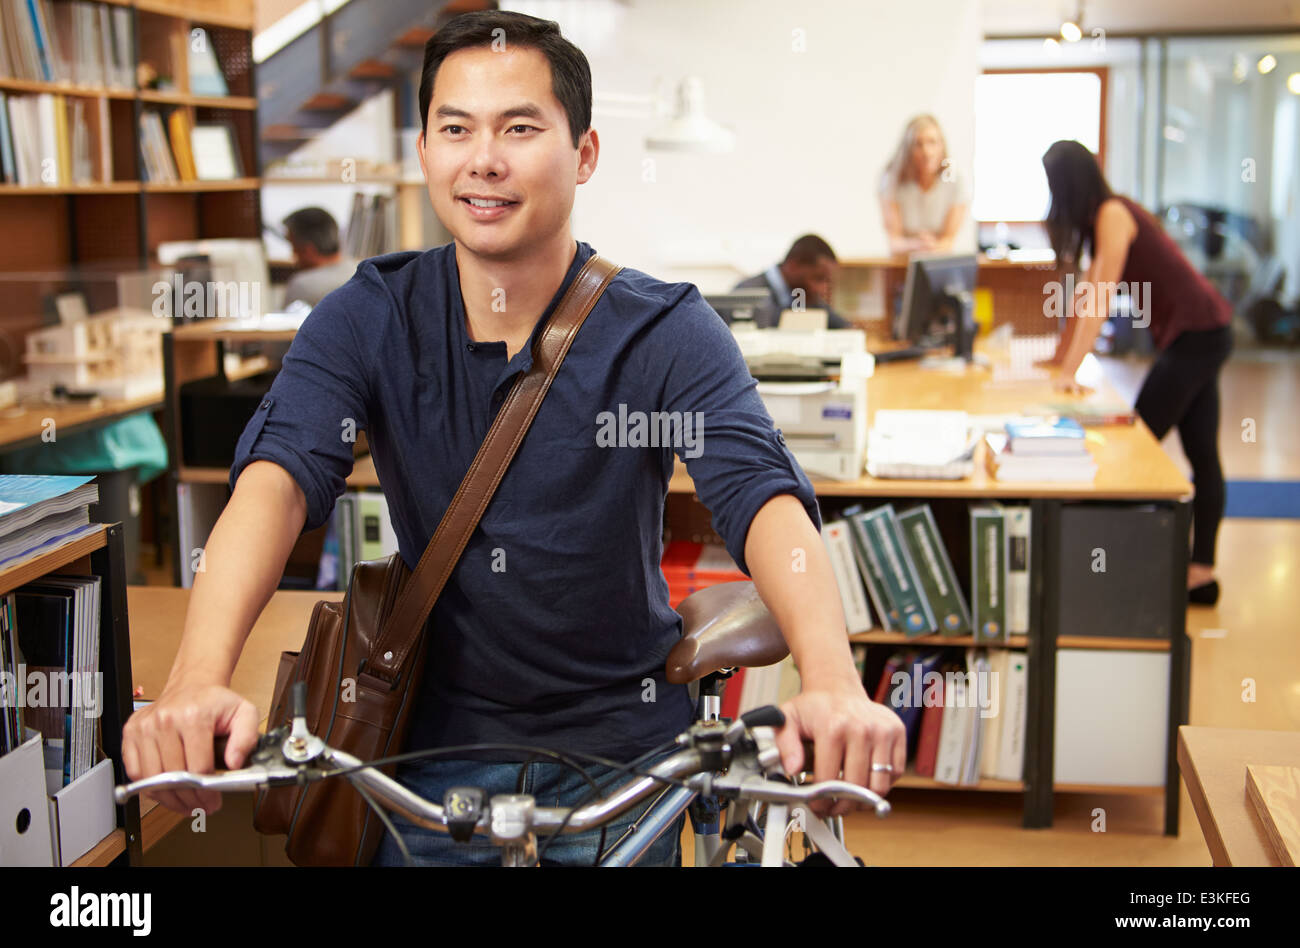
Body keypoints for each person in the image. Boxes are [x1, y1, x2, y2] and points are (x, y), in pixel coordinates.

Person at [121, 10, 905, 866]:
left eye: (520, 127)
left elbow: (763, 499)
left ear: (585, 154)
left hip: (625, 756)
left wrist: (831, 680)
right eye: (455, 128)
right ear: (425, 151)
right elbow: (274, 479)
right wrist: (196, 680)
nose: (483, 158)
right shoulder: (369, 316)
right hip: (424, 757)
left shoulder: (666, 329)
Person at [1037, 140, 1233, 605]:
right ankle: (1200, 574)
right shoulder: (1102, 217)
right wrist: (1060, 356)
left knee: (1134, 442)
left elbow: (1100, 298)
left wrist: (1070, 372)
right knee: (1202, 452)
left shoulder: (1113, 214)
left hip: (1198, 335)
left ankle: (1111, 565)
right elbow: (1088, 290)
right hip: (1204, 331)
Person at [878, 114, 969, 256]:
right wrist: (915, 245)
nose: (927, 152)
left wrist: (932, 246)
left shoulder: (955, 181)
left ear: (942, 145)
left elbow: (949, 240)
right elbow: (894, 242)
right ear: (908, 148)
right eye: (918, 144)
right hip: (903, 262)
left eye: (932, 142)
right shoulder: (891, 181)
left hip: (940, 261)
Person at [733, 234, 852, 328]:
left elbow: (845, 328)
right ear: (794, 265)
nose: (822, 289)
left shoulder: (804, 295)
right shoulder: (746, 294)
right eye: (818, 278)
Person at [281, 207, 359, 307]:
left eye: (293, 247)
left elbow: (285, 321)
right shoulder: (360, 272)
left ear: (308, 249)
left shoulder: (302, 286)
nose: (292, 254)